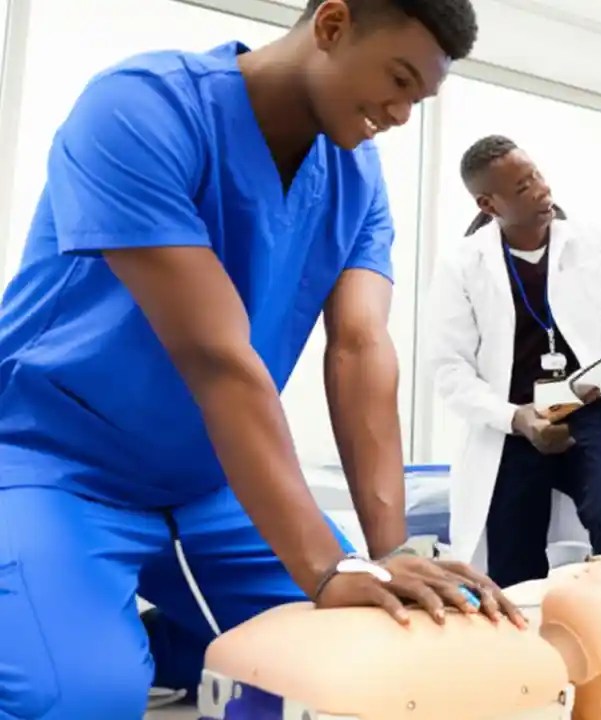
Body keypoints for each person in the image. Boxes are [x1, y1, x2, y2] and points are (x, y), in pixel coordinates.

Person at [0, 2, 525, 718]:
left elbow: (361, 349)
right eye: (398, 80)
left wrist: (390, 549)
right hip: (52, 465)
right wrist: (323, 565)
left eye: (419, 99)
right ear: (333, 25)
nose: (402, 114)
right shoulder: (140, 110)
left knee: (374, 643)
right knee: (79, 696)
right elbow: (217, 358)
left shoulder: (357, 179)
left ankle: (147, 634)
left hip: (210, 486)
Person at [423, 135, 601, 588]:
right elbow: (450, 370)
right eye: (521, 188)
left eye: (535, 175)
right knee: (511, 549)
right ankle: (523, 639)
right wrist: (517, 419)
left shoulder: (595, 244)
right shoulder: (462, 264)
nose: (540, 190)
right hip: (515, 419)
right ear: (488, 203)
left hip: (594, 405)